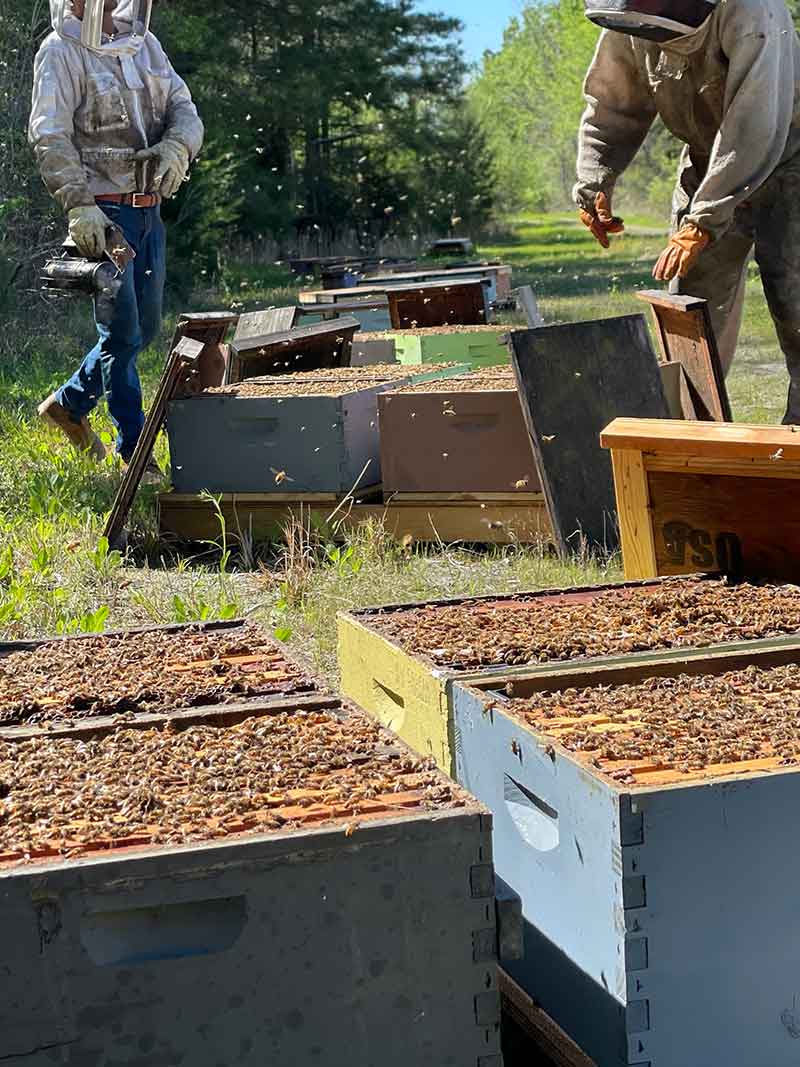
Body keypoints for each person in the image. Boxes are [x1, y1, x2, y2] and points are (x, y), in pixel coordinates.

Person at [574, 0, 800, 423]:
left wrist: (703, 220)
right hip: (707, 161)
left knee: (796, 305)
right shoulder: (631, 17)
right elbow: (614, 101)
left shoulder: (754, 12)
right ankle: (696, 440)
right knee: (690, 308)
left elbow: (754, 123)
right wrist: (595, 180)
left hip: (791, 157)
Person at [29, 0, 203, 470]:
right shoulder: (59, 52)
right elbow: (49, 135)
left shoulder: (144, 45)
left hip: (149, 213)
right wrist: (79, 204)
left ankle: (67, 404)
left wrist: (177, 145)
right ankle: (135, 450)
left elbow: (183, 107)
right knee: (123, 332)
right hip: (103, 216)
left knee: (143, 329)